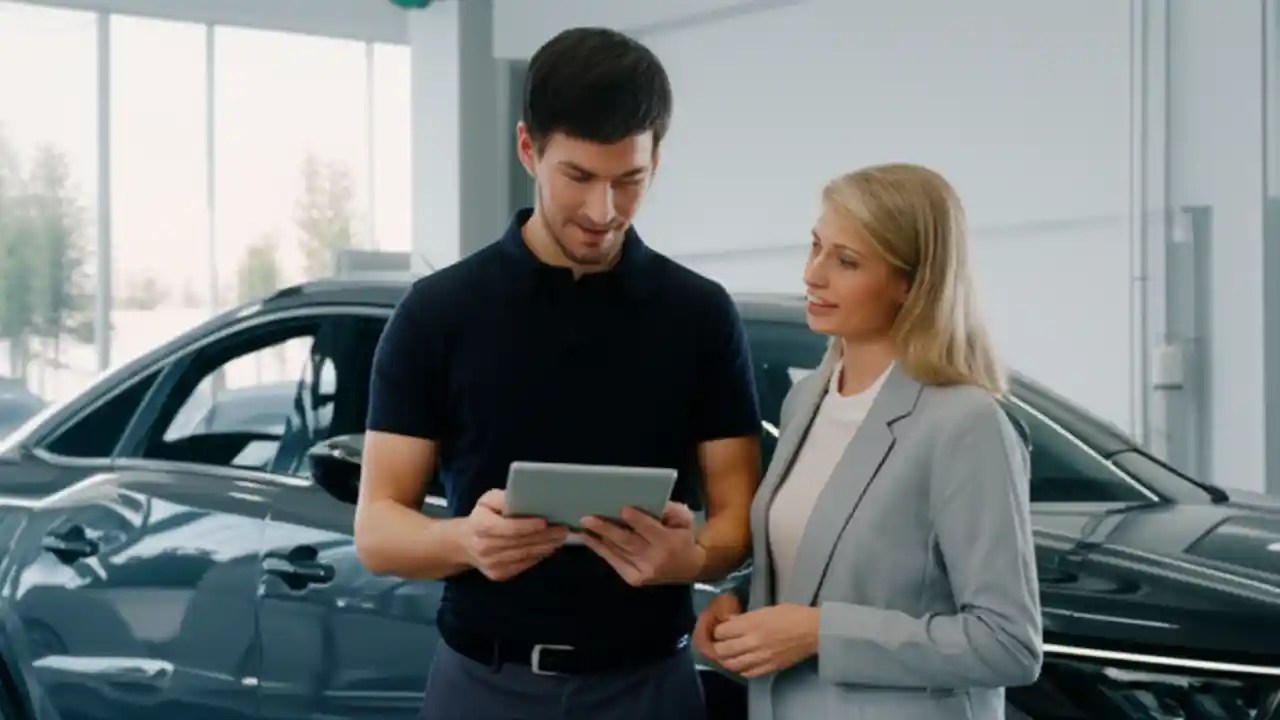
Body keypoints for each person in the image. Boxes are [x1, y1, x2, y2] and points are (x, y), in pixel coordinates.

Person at [354, 26, 762, 720]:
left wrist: (687, 558)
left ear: (656, 159)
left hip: (650, 687)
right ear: (528, 149)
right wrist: (465, 541)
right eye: (578, 177)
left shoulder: (700, 315)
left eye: (628, 181)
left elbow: (738, 524)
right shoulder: (439, 312)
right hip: (484, 685)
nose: (603, 212)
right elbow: (378, 530)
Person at [693, 163, 1043, 719]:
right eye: (815, 247)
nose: (813, 275)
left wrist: (822, 634)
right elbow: (817, 565)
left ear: (911, 284)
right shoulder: (807, 398)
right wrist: (743, 608)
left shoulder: (964, 423)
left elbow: (1008, 644)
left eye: (846, 261)